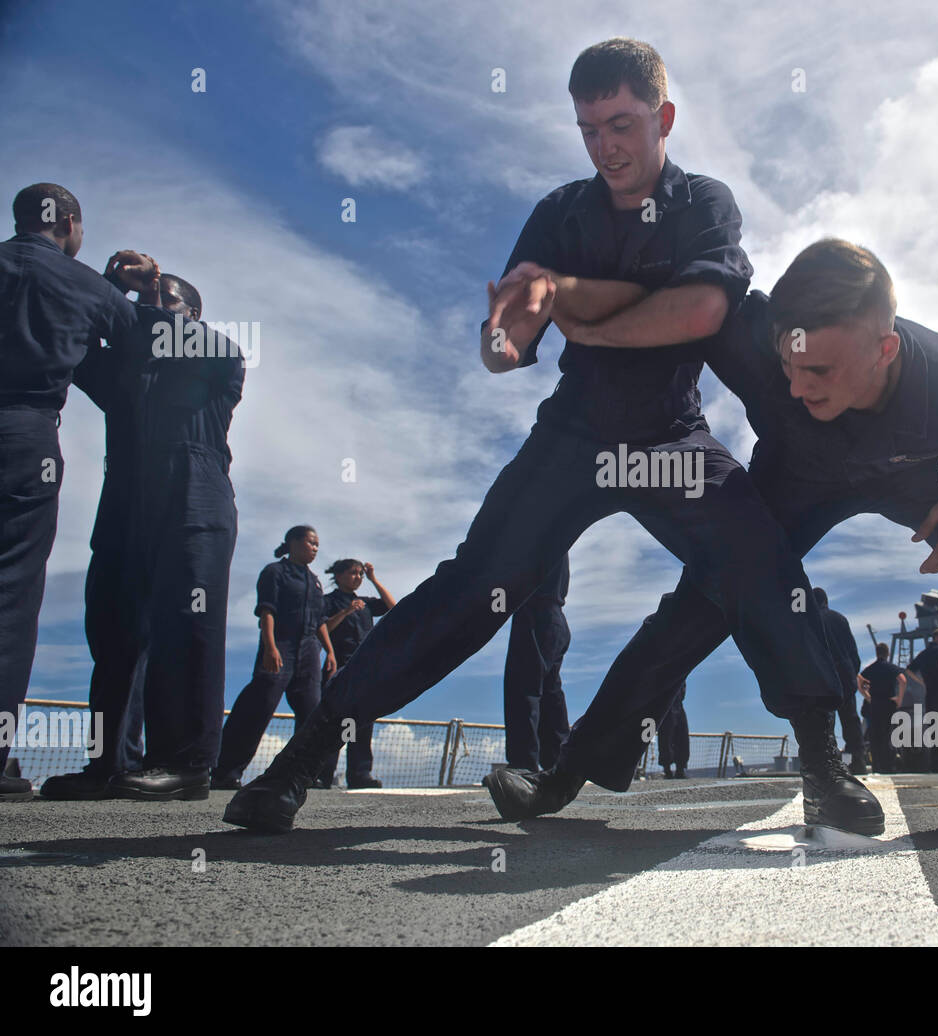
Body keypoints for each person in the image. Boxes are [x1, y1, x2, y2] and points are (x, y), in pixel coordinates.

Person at [224, 39, 879, 839]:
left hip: (671, 436)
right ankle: (305, 758)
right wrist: (503, 335)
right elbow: (506, 344)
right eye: (589, 129)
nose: (606, 146)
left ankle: (822, 765)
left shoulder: (706, 203)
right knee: (471, 588)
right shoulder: (558, 212)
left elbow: (702, 312)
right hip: (575, 433)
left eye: (623, 125)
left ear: (663, 117)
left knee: (761, 562)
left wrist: (585, 312)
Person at [494, 239, 938, 839]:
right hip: (798, 474)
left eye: (819, 370)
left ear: (884, 350)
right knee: (708, 596)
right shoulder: (756, 332)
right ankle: (568, 771)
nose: (796, 387)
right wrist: (554, 292)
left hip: (918, 468)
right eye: (789, 365)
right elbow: (666, 298)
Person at [42, 262, 244, 801]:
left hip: (193, 489)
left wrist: (140, 295)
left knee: (186, 623)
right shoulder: (126, 372)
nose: (147, 302)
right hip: (126, 497)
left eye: (164, 297)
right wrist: (108, 290)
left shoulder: (215, 353)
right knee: (112, 629)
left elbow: (156, 330)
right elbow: (80, 336)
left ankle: (185, 763)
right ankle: (110, 762)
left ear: (193, 313)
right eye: (145, 296)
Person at [1, 185, 147, 801]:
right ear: (68, 223)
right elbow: (141, 343)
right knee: (10, 595)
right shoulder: (86, 285)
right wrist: (131, 286)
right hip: (24, 436)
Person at [212, 527, 335, 789]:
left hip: (309, 651)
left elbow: (320, 621)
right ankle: (225, 772)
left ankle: (303, 774)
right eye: (311, 542)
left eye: (317, 545)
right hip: (281, 645)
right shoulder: (274, 572)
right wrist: (270, 647)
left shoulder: (315, 581)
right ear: (293, 542)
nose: (315, 548)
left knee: (312, 712)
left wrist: (330, 651)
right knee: (260, 704)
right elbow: (267, 611)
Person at [317, 559, 396, 789]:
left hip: (365, 667)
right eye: (353, 573)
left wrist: (373, 579)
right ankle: (322, 774)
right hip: (339, 664)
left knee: (362, 721)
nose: (358, 578)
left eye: (360, 574)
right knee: (333, 719)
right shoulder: (328, 601)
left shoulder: (366, 602)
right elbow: (323, 628)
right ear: (339, 575)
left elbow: (393, 607)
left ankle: (360, 774)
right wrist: (346, 611)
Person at [501, 554, 571, 773]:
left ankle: (523, 763)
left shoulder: (537, 527)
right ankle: (559, 763)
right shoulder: (560, 530)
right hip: (554, 615)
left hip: (536, 612)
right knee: (550, 693)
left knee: (523, 687)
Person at [813, 586, 867, 773]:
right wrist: (852, 673)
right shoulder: (840, 618)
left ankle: (831, 764)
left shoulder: (810, 620)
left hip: (822, 674)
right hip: (845, 674)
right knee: (851, 722)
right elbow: (853, 651)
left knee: (826, 724)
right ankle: (856, 763)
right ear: (826, 601)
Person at [907, 628, 938, 772]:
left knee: (934, 729)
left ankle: (936, 765)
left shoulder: (923, 654)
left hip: (930, 694)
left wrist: (922, 682)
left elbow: (909, 670)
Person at [860, 643, 906, 774]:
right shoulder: (891, 668)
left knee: (875, 736)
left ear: (876, 653)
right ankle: (889, 766)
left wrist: (867, 696)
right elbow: (903, 680)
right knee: (889, 735)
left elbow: (859, 681)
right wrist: (899, 698)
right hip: (888, 704)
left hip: (874, 704)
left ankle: (877, 766)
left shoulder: (870, 669)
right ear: (888, 653)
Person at [657, 682, 689, 778]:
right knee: (665, 738)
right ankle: (667, 770)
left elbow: (683, 693)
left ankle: (680, 769)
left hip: (678, 705)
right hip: (666, 706)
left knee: (682, 737)